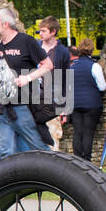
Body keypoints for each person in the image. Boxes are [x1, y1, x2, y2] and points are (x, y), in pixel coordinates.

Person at [0, 7, 53, 158]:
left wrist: (28, 78)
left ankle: (59, 173)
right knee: (5, 153)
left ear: (5, 24)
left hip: (22, 107)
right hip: (2, 110)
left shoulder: (26, 41)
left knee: (38, 147)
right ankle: (9, 181)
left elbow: (48, 65)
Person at [68, 39, 106, 162]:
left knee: (78, 132)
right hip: (91, 103)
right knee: (88, 132)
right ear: (91, 50)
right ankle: (87, 159)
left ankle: (78, 160)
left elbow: (68, 87)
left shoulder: (73, 67)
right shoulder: (94, 66)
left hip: (76, 103)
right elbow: (102, 86)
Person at [37, 15, 72, 149]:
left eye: (44, 31)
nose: (40, 34)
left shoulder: (62, 52)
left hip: (54, 98)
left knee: (53, 136)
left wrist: (65, 107)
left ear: (53, 32)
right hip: (35, 97)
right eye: (40, 31)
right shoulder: (36, 46)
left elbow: (66, 79)